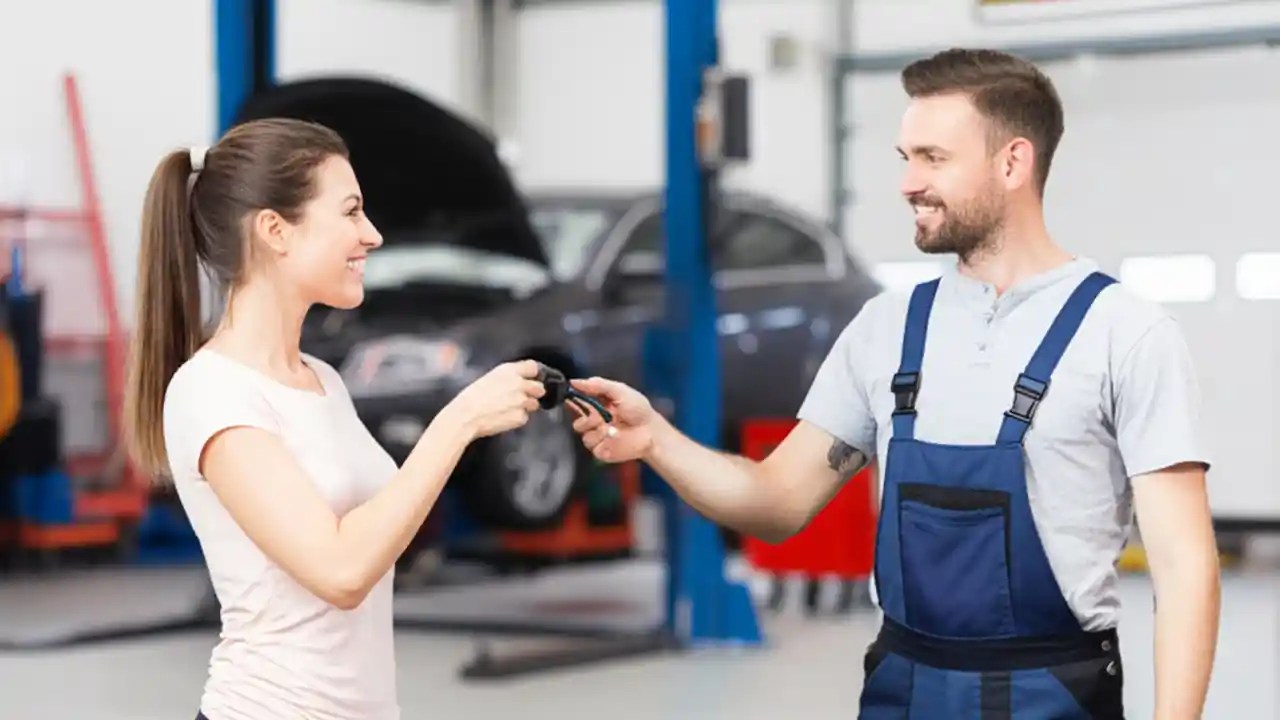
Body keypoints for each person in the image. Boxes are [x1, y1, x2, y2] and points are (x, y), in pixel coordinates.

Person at [568, 49, 1220, 718]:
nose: (908, 183)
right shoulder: (885, 329)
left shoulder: (1124, 334)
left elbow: (1184, 570)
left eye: (933, 158)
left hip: (1051, 696)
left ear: (1012, 163)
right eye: (905, 157)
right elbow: (775, 501)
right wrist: (656, 441)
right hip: (902, 692)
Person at [121, 118, 547, 720]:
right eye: (351, 212)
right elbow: (341, 571)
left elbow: (375, 534)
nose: (371, 235)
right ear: (275, 230)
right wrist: (460, 421)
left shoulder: (323, 379)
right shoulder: (213, 391)